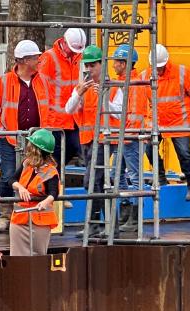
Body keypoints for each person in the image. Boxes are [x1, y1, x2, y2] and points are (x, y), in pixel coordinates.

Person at [0, 39, 57, 231]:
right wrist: (2, 132)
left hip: (36, 140)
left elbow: (49, 107)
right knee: (8, 175)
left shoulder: (42, 80)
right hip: (10, 138)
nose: (39, 60)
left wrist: (45, 130)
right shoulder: (4, 81)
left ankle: (34, 213)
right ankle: (5, 215)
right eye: (35, 57)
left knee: (37, 174)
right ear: (25, 60)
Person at [145, 43, 190, 201]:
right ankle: (160, 177)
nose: (158, 70)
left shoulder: (182, 72)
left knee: (184, 154)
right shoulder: (146, 75)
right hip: (157, 122)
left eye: (160, 66)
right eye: (155, 67)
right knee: (149, 148)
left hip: (179, 121)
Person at [104, 45, 151, 232]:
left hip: (131, 138)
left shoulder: (134, 84)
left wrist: (130, 135)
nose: (113, 65)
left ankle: (134, 216)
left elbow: (133, 113)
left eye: (116, 61)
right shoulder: (123, 83)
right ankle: (126, 211)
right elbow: (119, 111)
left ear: (124, 64)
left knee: (134, 176)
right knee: (117, 174)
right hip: (123, 137)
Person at [65, 45, 105, 234]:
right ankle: (99, 223)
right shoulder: (82, 88)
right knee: (95, 181)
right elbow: (69, 109)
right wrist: (79, 93)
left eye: (92, 65)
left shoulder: (109, 85)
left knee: (93, 180)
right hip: (87, 140)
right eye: (87, 65)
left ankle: (95, 223)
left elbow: (117, 110)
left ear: (101, 65)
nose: (89, 69)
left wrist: (102, 95)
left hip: (104, 140)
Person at [9, 128, 60, 256]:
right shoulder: (27, 163)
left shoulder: (51, 172)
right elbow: (11, 180)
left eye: (30, 145)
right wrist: (20, 187)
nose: (27, 147)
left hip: (40, 221)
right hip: (19, 220)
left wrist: (45, 202)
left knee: (38, 256)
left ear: (36, 149)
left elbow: (54, 193)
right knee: (17, 257)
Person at [39, 27, 86, 165]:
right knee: (56, 159)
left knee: (72, 151)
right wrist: (44, 122)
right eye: (72, 49)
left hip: (74, 119)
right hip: (55, 121)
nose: (73, 53)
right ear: (64, 42)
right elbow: (41, 91)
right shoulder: (49, 58)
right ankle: (53, 183)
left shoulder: (78, 57)